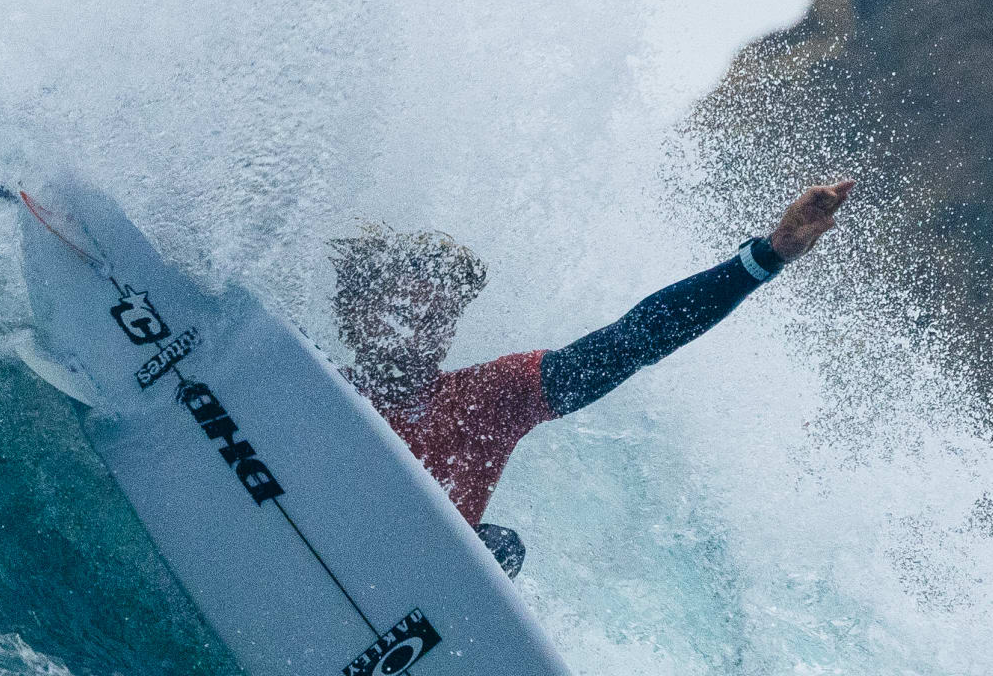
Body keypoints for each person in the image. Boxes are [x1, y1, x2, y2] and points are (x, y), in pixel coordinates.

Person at [330, 179, 855, 573]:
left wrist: (766, 257)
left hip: (402, 600)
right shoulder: (306, 387)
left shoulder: (484, 401)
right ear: (355, 311)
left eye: (439, 319)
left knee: (499, 547)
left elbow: (636, 339)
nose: (423, 332)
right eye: (404, 311)